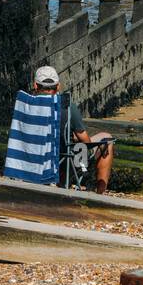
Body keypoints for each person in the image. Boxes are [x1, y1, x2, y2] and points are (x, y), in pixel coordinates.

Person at [32, 65, 114, 194]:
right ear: (58, 86)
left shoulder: (26, 105)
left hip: (33, 160)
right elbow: (85, 141)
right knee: (107, 139)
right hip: (63, 162)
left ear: (36, 86)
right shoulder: (66, 106)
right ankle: (100, 194)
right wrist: (72, 137)